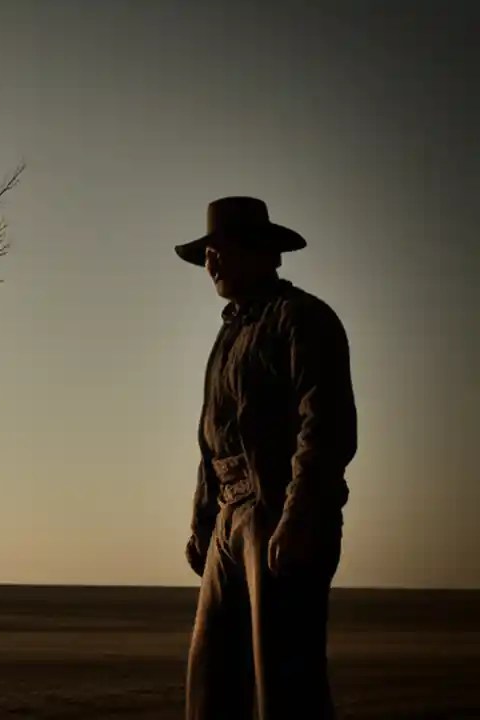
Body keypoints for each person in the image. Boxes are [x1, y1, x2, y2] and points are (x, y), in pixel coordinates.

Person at [177, 196, 358, 719]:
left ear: (261, 252)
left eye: (219, 249)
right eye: (207, 252)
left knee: (286, 688)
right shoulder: (228, 333)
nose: (210, 262)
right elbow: (213, 439)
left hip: (278, 513)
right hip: (228, 524)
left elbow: (325, 428)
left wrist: (298, 517)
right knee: (210, 686)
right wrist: (202, 521)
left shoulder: (303, 319)